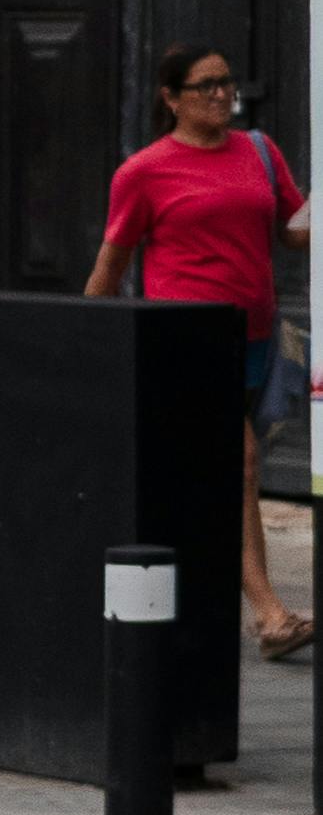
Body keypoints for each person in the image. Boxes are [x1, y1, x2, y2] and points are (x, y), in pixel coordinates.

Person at [87, 42, 313, 660]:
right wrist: (87, 342)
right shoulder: (144, 171)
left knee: (218, 475)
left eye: (226, 82)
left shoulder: (259, 151)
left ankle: (184, 597)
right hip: (185, 339)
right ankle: (268, 613)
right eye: (205, 85)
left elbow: (295, 231)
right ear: (170, 97)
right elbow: (111, 263)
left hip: (257, 343)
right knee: (237, 464)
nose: (221, 94)